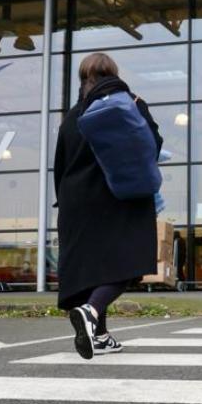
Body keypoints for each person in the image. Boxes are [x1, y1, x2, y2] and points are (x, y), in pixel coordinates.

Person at [55, 52, 164, 359]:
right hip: (118, 197)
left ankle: (99, 335)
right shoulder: (130, 102)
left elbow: (59, 164)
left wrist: (63, 204)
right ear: (113, 74)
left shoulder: (73, 116)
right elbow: (153, 144)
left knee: (89, 268)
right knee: (129, 259)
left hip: (74, 201)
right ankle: (91, 311)